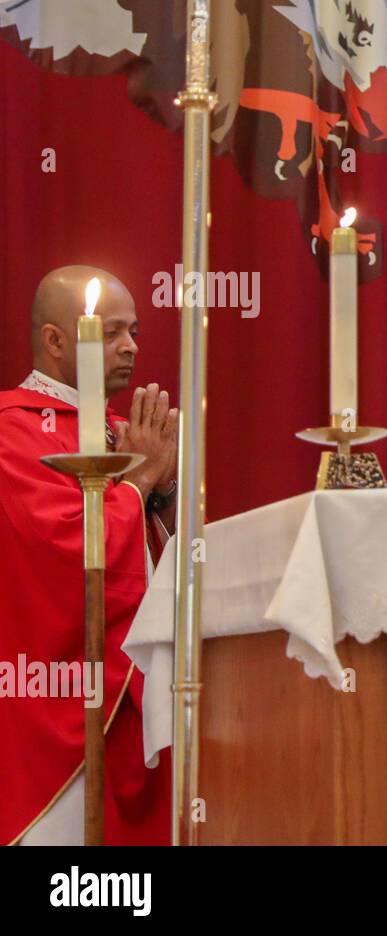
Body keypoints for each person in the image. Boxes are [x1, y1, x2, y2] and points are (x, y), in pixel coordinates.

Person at [0, 265, 176, 845]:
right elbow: (62, 552)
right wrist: (141, 478)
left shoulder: (125, 432)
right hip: (48, 700)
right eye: (110, 332)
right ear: (54, 341)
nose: (131, 347)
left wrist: (164, 496)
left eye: (135, 332)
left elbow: (173, 565)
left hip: (137, 696)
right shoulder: (13, 431)